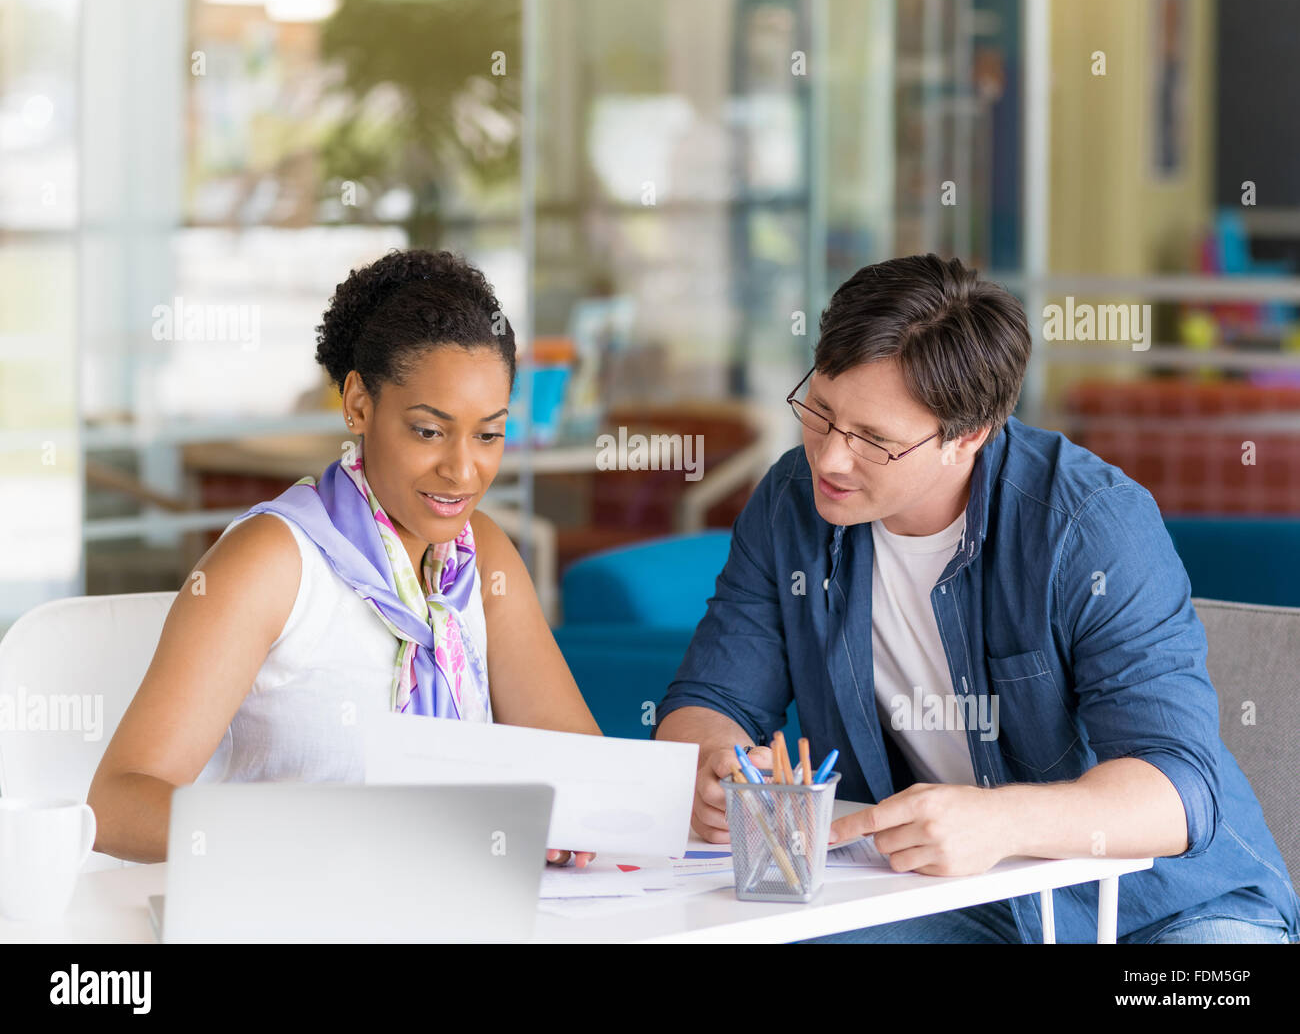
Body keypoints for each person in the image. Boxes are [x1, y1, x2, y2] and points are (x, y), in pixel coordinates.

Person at [652, 253, 1300, 944]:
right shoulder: (791, 504)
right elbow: (711, 700)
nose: (830, 458)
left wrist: (999, 821)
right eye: (822, 410)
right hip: (937, 896)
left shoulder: (1089, 526)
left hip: (1158, 905)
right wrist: (710, 765)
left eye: (875, 439)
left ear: (970, 435)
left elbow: (1177, 792)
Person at [88, 248, 600, 868]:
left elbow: (580, 765)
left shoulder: (478, 555)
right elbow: (117, 804)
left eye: (489, 435)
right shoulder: (273, 561)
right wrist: (320, 836)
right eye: (429, 431)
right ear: (358, 404)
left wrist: (565, 814)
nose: (463, 470)